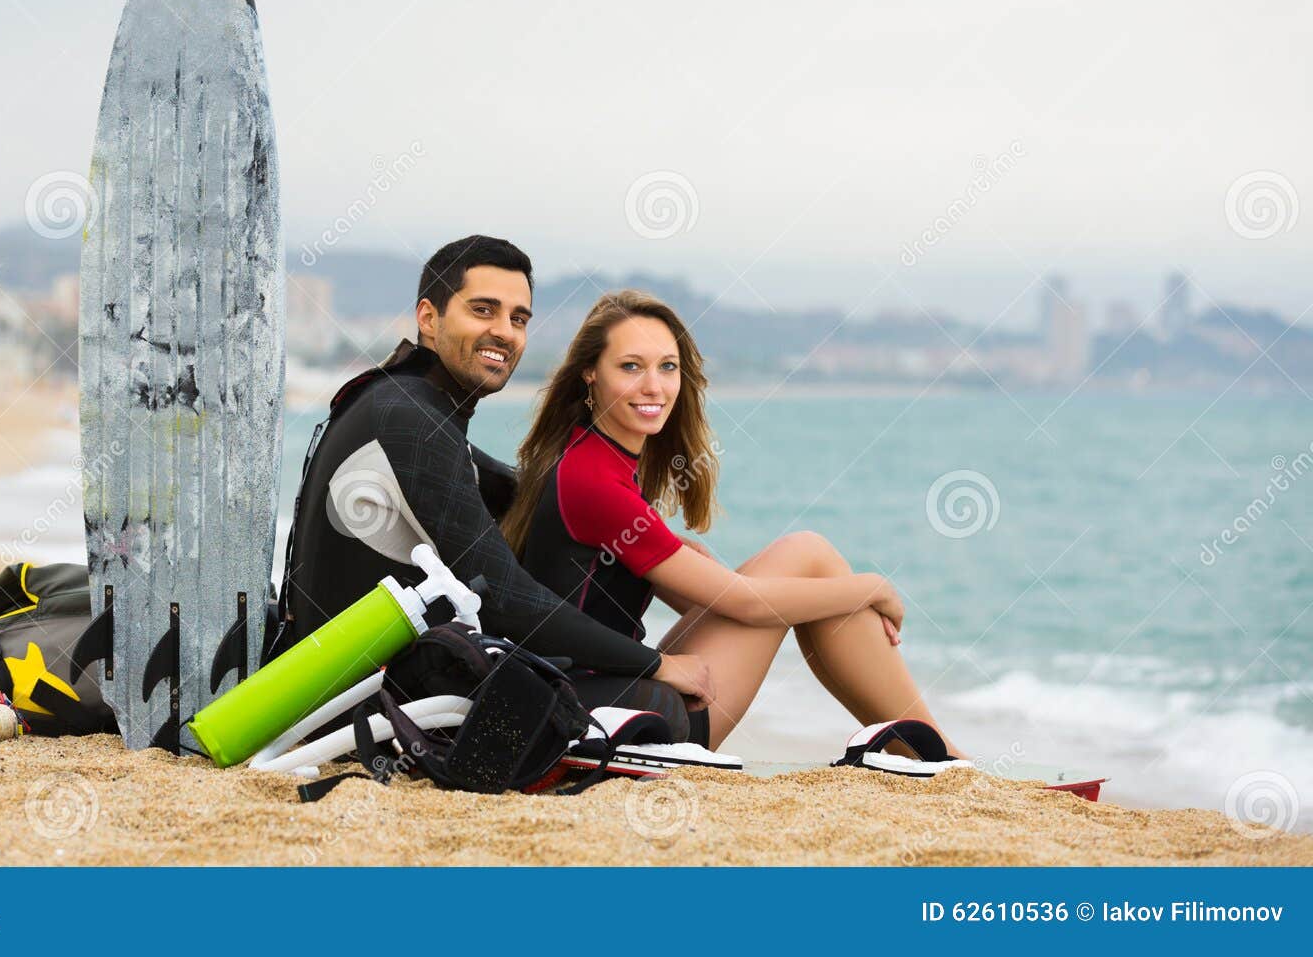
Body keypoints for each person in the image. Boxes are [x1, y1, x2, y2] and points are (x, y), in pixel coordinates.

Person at [265, 237, 715, 738]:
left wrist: (656, 543)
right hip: (364, 714)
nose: (503, 332)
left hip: (382, 691)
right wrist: (655, 663)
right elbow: (506, 598)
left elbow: (522, 491)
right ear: (429, 317)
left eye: (518, 318)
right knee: (664, 703)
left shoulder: (407, 401)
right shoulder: (412, 420)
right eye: (483, 310)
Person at [501, 288, 967, 756]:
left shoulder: (590, 457)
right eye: (630, 366)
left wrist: (672, 554)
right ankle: (938, 756)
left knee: (809, 570)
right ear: (589, 373)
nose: (654, 386)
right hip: (609, 713)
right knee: (810, 559)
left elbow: (694, 599)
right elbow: (744, 604)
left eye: (667, 366)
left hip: (602, 689)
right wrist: (873, 587)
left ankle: (928, 753)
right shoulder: (595, 478)